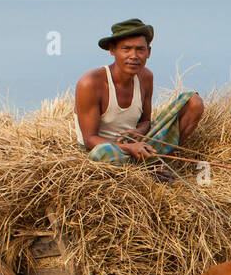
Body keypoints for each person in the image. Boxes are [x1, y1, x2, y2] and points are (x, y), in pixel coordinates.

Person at [74, 18, 204, 167]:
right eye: (126, 49)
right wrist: (128, 148)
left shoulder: (145, 77)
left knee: (194, 102)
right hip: (107, 150)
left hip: (137, 144)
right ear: (112, 50)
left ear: (148, 52)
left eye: (140, 49)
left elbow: (146, 121)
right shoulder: (90, 83)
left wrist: (140, 131)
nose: (134, 56)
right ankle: (146, 166)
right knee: (103, 153)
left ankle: (158, 163)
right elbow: (90, 140)